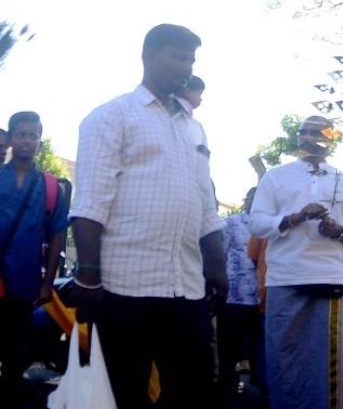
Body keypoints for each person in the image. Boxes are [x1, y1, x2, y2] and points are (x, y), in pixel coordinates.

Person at [66, 24, 227, 409]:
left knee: (193, 389)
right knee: (124, 392)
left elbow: (206, 202)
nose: (186, 67)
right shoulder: (112, 116)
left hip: (185, 285)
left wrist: (218, 266)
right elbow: (89, 202)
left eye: (191, 60)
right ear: (149, 55)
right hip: (125, 286)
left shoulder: (195, 129)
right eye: (178, 57)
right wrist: (89, 277)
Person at [249, 115, 343, 409]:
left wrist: (341, 232)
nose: (311, 137)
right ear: (298, 138)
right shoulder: (276, 176)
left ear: (331, 139)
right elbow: (257, 223)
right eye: (305, 132)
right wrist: (296, 217)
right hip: (285, 278)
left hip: (329, 277)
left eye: (319, 132)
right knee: (285, 355)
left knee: (328, 358)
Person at [0, 112, 68, 403]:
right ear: (11, 139)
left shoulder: (51, 186)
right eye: (21, 134)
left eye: (33, 135)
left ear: (39, 142)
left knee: (16, 349)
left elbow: (57, 235)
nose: (27, 140)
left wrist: (47, 282)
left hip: (24, 282)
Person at [218, 186, 264, 395]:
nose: (254, 201)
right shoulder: (231, 223)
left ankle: (260, 384)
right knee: (229, 345)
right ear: (245, 200)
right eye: (251, 197)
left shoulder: (268, 226)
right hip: (233, 295)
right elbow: (221, 253)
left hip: (262, 297)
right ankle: (227, 385)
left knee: (259, 346)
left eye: (259, 197)